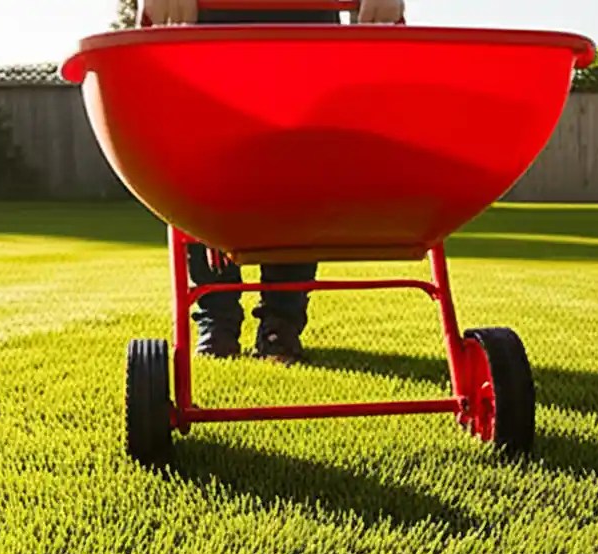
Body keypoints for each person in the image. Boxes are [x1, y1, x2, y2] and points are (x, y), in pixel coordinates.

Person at [141, 0, 405, 364]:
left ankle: (280, 322)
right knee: (206, 162)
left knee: (298, 170)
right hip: (207, 27)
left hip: (304, 33)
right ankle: (217, 321)